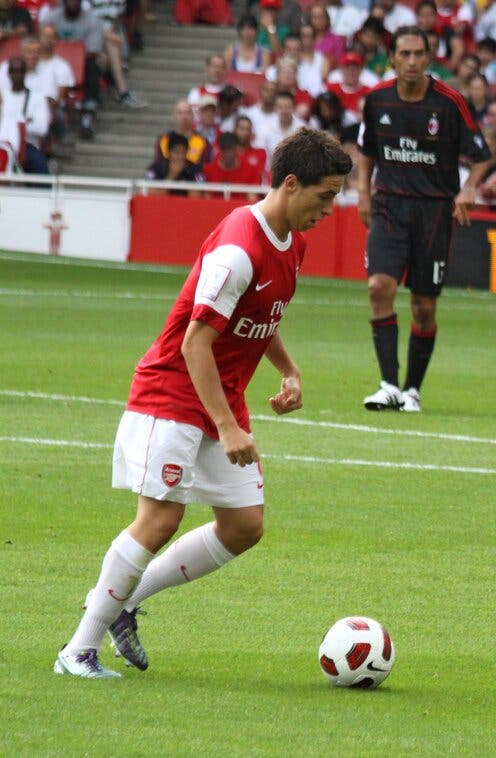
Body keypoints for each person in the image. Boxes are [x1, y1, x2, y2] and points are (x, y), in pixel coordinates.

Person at [54, 129, 351, 679]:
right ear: (291, 184)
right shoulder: (239, 248)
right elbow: (195, 342)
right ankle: (78, 650)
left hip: (221, 397)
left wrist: (287, 368)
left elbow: (260, 317)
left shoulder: (294, 243)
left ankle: (121, 603)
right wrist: (227, 426)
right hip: (172, 392)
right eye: (325, 196)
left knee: (244, 525)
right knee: (160, 518)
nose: (331, 209)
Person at [356, 27, 493, 413]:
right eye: (405, 54)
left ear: (429, 57)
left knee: (423, 306)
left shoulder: (449, 103)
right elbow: (367, 150)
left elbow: (482, 155)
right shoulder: (377, 100)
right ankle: (388, 384)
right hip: (389, 206)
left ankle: (412, 389)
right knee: (378, 287)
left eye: (419, 54)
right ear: (393, 58)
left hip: (433, 212)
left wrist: (469, 189)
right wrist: (364, 194)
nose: (412, 61)